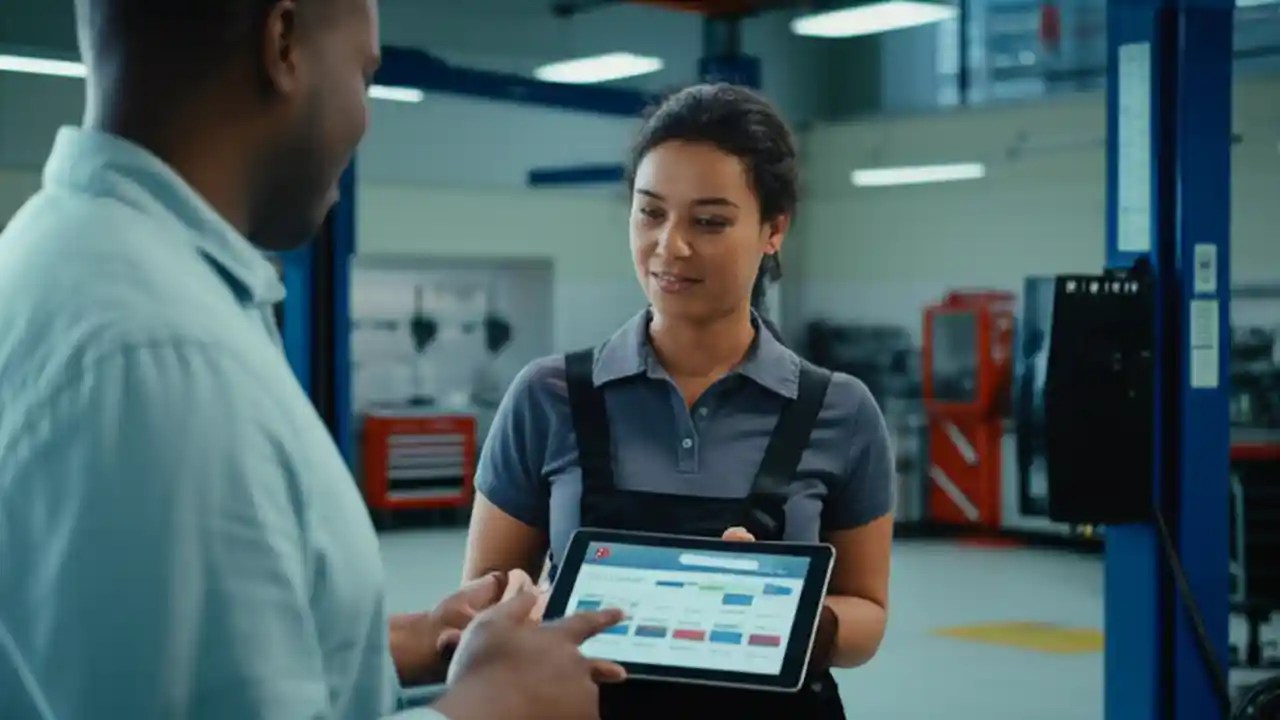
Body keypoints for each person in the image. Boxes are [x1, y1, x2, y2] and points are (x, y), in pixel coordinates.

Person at [0, 1, 621, 719]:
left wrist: (412, 638)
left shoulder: (65, 262)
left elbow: (157, 666)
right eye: (363, 74)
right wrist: (494, 705)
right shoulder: (166, 357)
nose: (365, 117)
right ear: (284, 42)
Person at [462, 83, 896, 719]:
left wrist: (789, 615)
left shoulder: (841, 412)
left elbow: (868, 614)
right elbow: (483, 597)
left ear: (774, 229)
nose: (670, 246)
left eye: (710, 221)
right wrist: (530, 607)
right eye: (650, 212)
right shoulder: (547, 397)